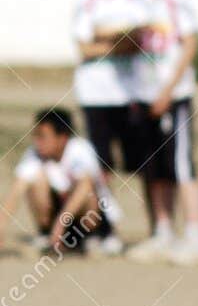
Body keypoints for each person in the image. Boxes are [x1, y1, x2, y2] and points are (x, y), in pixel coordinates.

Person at [125, 0, 198, 265]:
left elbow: (189, 46)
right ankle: (162, 231)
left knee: (182, 166)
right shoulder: (143, 4)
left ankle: (195, 235)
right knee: (153, 168)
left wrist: (168, 90)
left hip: (174, 98)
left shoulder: (178, 1)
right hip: (144, 96)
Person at [71, 0, 148, 184]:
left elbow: (138, 40)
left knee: (140, 162)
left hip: (127, 93)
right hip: (94, 95)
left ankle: (156, 221)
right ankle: (104, 219)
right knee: (100, 164)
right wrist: (118, 41)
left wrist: (102, 36)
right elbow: (84, 48)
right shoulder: (86, 4)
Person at [2, 109, 123, 256]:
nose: (37, 142)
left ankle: (95, 237)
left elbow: (86, 185)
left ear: (63, 137)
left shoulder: (80, 149)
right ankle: (46, 235)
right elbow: (17, 189)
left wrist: (60, 224)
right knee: (36, 181)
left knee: (86, 188)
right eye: (36, 136)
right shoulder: (34, 154)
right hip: (59, 224)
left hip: (90, 220)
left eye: (43, 137)